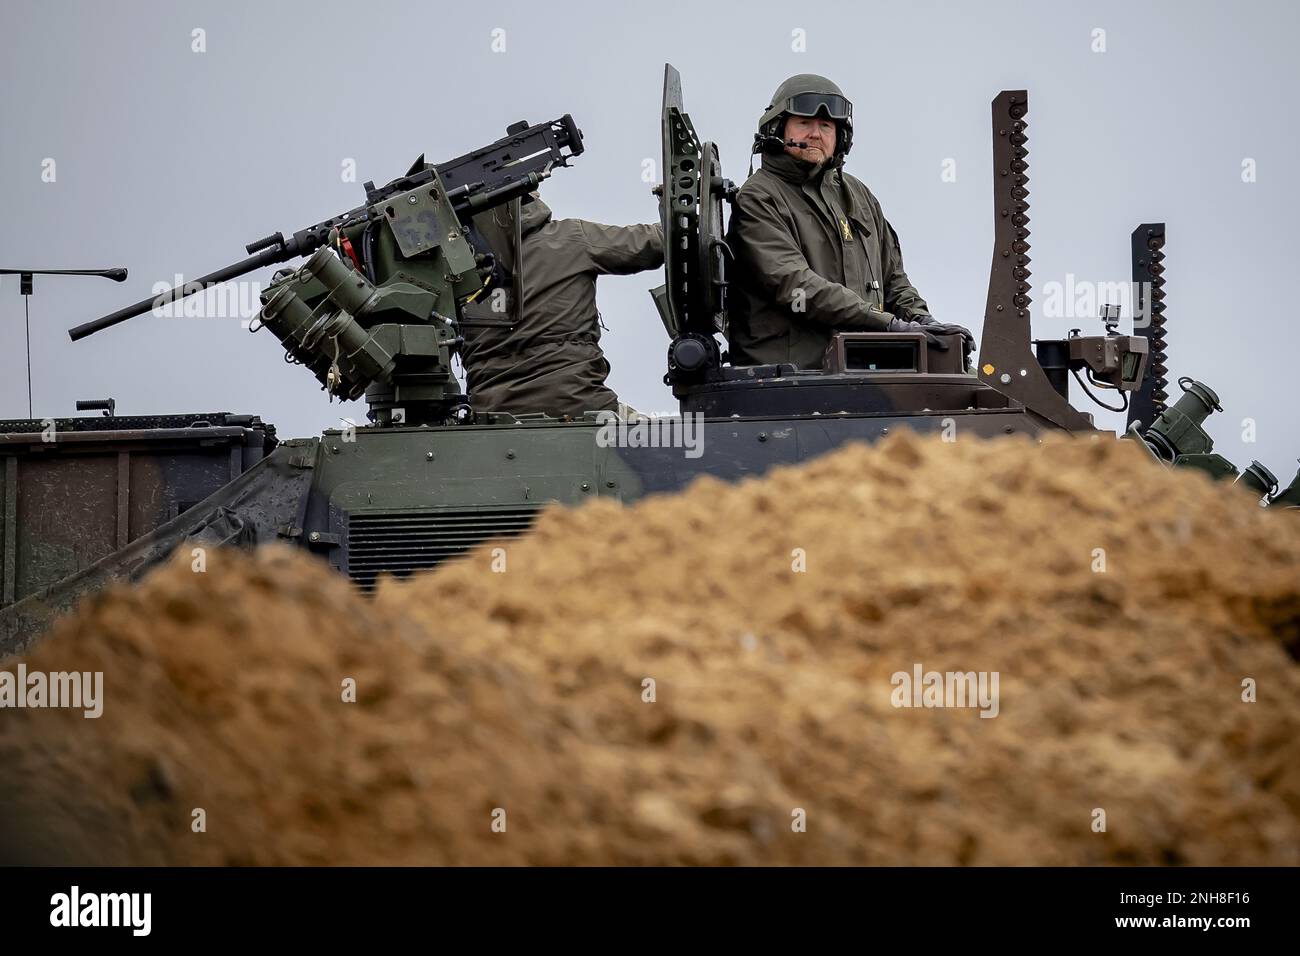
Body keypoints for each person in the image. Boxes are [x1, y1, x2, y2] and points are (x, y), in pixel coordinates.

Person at [726, 73, 974, 368]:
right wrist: (888, 324)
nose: (816, 134)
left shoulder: (857, 195)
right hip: (791, 375)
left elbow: (894, 280)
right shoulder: (759, 197)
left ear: (840, 137)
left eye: (826, 126)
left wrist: (923, 321)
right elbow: (795, 286)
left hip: (860, 367)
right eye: (804, 123)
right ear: (777, 128)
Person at [460, 195, 662, 418]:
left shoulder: (457, 269)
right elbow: (655, 241)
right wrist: (676, 200)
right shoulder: (571, 238)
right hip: (580, 402)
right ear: (531, 198)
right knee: (662, 436)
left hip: (490, 414)